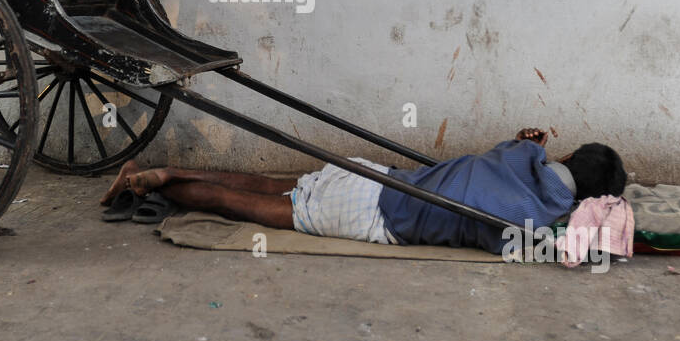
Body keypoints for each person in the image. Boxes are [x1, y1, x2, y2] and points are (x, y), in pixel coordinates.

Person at [100, 128, 627, 254]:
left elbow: (517, 148)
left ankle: (169, 169)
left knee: (268, 184)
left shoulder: (520, 153)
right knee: (252, 209)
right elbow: (522, 243)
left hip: (371, 175)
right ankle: (170, 186)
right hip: (373, 217)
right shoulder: (538, 218)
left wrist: (531, 141)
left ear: (563, 158)